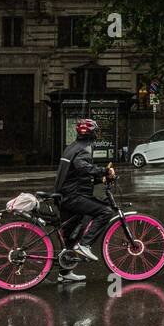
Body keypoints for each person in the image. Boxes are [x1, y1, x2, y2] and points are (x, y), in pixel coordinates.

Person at [53, 118, 116, 284]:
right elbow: (82, 166)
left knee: (71, 237)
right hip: (74, 196)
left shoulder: (72, 147)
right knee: (105, 211)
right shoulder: (84, 149)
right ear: (94, 134)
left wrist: (100, 180)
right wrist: (104, 170)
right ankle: (86, 245)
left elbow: (77, 175)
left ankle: (64, 273)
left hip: (65, 195)